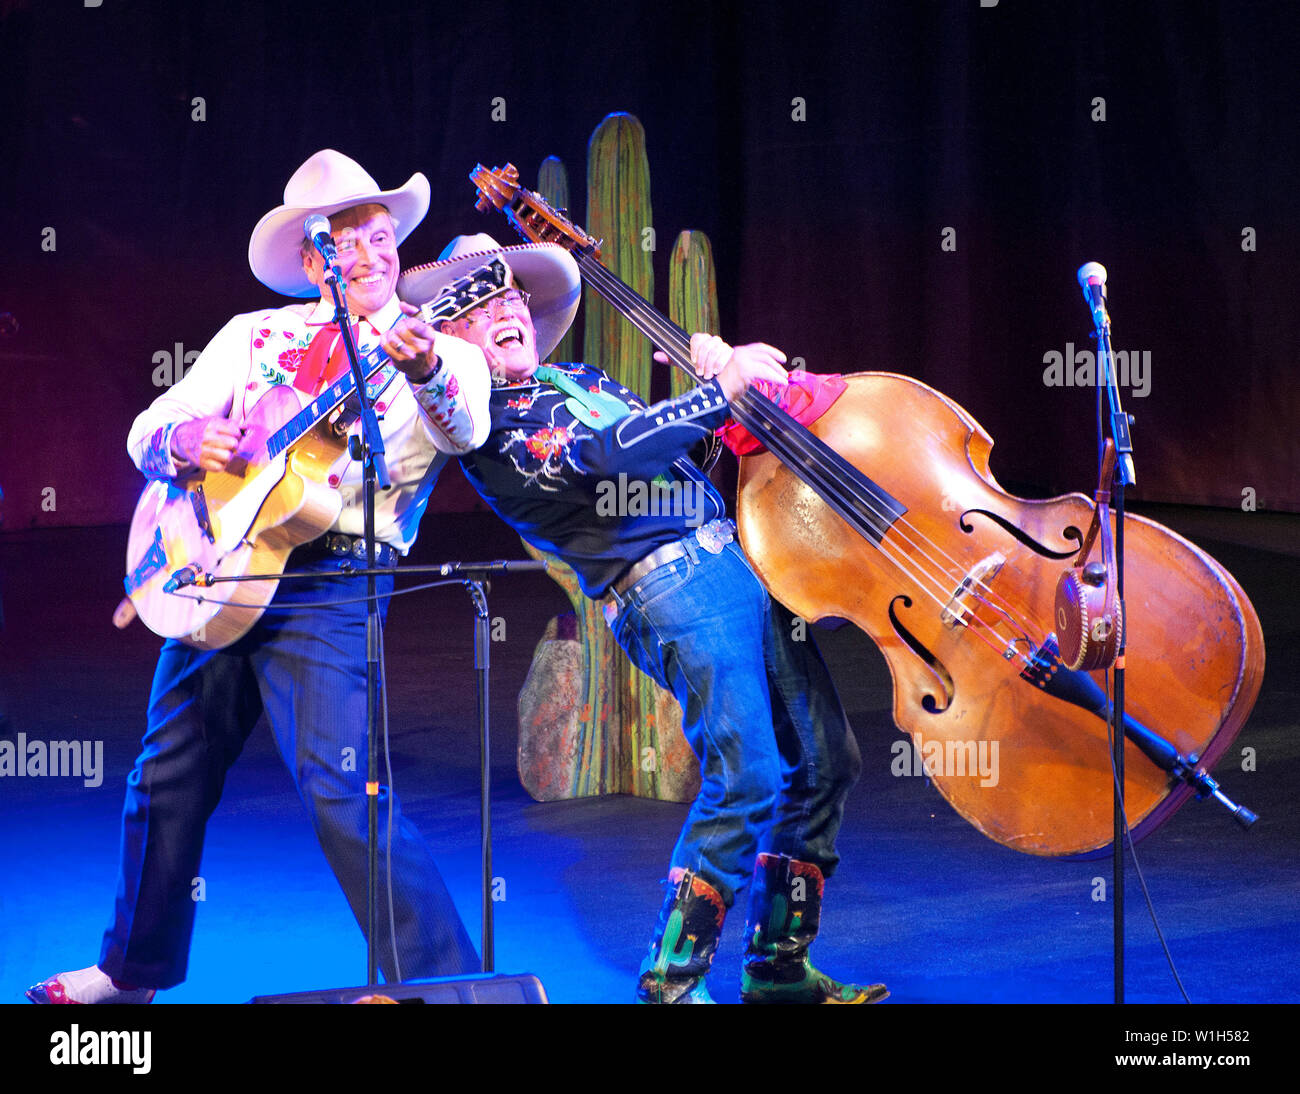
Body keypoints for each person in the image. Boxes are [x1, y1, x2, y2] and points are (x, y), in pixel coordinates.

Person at [27, 150, 491, 1004]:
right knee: (167, 769)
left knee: (343, 787)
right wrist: (184, 442)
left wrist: (424, 369)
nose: (369, 253)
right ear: (314, 261)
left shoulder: (444, 347)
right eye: (345, 240)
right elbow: (150, 426)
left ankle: (454, 988)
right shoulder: (253, 336)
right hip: (222, 563)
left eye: (381, 236)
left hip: (338, 577)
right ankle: (131, 974)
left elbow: (464, 433)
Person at [399, 233, 886, 1003]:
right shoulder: (493, 428)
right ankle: (672, 983)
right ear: (451, 340)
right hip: (673, 589)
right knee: (749, 773)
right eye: (479, 305)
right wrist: (712, 391)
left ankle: (778, 969)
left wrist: (724, 396)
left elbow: (673, 454)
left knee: (829, 760)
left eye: (512, 297)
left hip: (738, 562)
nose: (507, 310)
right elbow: (604, 457)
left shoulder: (578, 376)